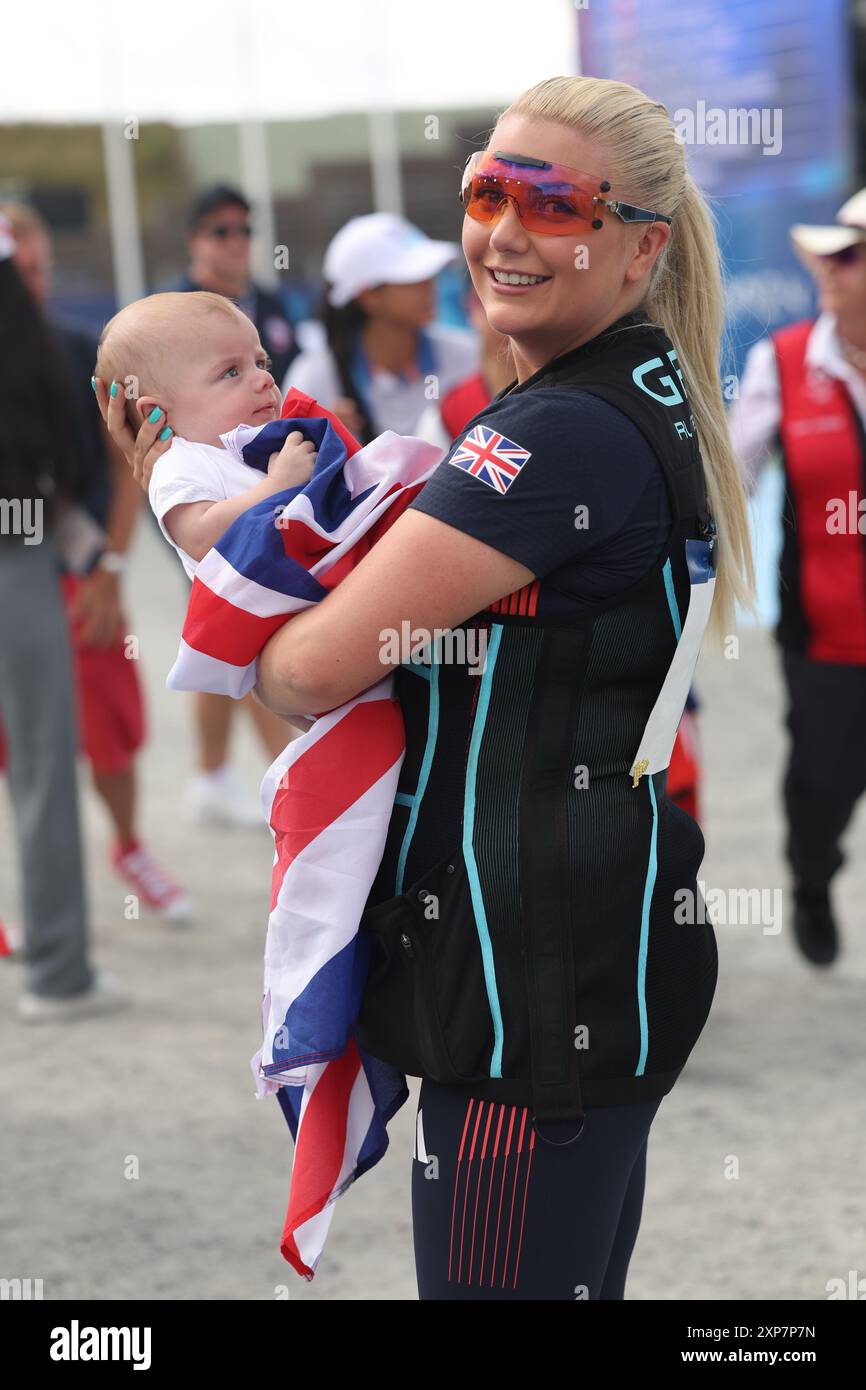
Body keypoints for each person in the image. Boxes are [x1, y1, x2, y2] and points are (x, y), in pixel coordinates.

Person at [105, 76, 755, 1301]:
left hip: (529, 990)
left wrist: (198, 516)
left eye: (551, 203)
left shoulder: (552, 432)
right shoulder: (630, 377)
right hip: (578, 954)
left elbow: (303, 669)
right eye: (485, 190)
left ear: (637, 248)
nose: (503, 231)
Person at [0, 202, 190, 919]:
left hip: (74, 562)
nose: (26, 283)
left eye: (36, 269)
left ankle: (128, 844)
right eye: (14, 271)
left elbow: (122, 463)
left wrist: (110, 569)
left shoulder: (79, 352)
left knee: (106, 723)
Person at [728, 187, 866, 967]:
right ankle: (811, 879)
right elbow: (732, 484)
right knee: (823, 784)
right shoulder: (781, 362)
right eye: (827, 253)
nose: (828, 268)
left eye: (849, 256)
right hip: (825, 634)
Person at [0, 212, 127, 1021]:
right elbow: (69, 471)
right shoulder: (34, 351)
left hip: (21, 547)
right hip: (15, 555)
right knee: (43, 768)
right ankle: (57, 971)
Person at [169, 184, 303, 824]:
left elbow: (293, 383)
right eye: (222, 231)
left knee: (224, 634)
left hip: (262, 473)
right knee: (236, 625)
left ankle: (214, 775)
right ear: (196, 240)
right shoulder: (169, 316)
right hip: (207, 491)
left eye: (245, 230)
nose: (238, 242)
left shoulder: (270, 308)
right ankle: (283, 773)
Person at [92, 291, 320, 581]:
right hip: (259, 619)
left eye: (261, 363)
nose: (265, 379)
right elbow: (200, 537)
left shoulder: (258, 448)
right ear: (158, 413)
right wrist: (278, 485)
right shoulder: (180, 462)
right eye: (231, 372)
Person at [284, 212, 479, 443]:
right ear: (369, 296)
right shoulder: (314, 378)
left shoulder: (470, 356)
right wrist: (320, 443)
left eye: (429, 273)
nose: (430, 284)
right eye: (413, 276)